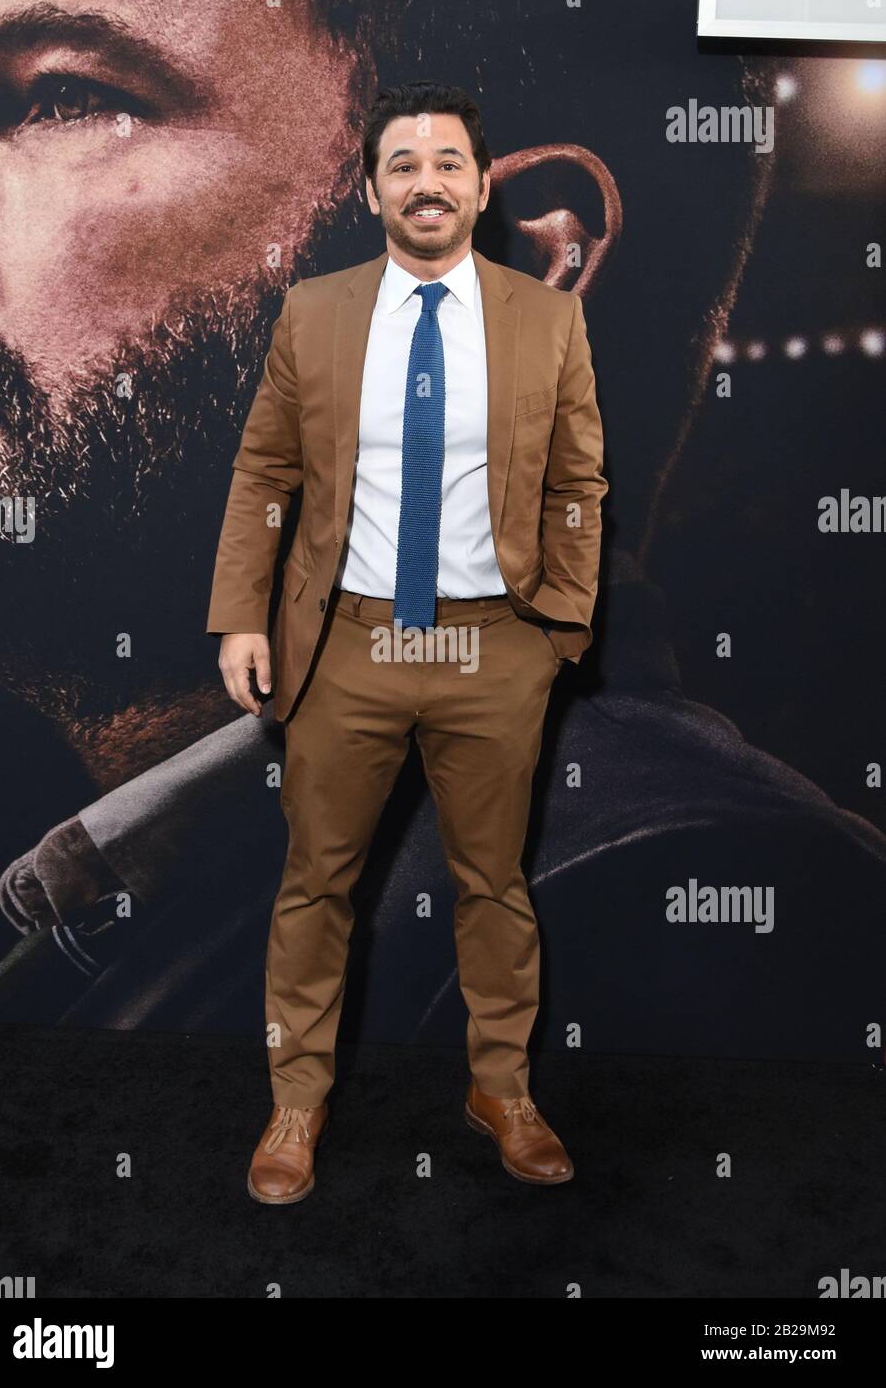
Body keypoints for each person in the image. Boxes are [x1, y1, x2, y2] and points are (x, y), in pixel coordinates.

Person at [206, 81, 608, 1203]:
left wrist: (561, 623)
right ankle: (294, 1106)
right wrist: (243, 612)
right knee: (314, 887)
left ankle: (503, 1092)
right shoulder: (311, 312)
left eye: (445, 163)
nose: (424, 181)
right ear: (369, 187)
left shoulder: (547, 319)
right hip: (346, 644)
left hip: (495, 646)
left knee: (492, 884)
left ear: (483, 187)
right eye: (400, 164)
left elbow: (578, 480)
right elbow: (264, 474)